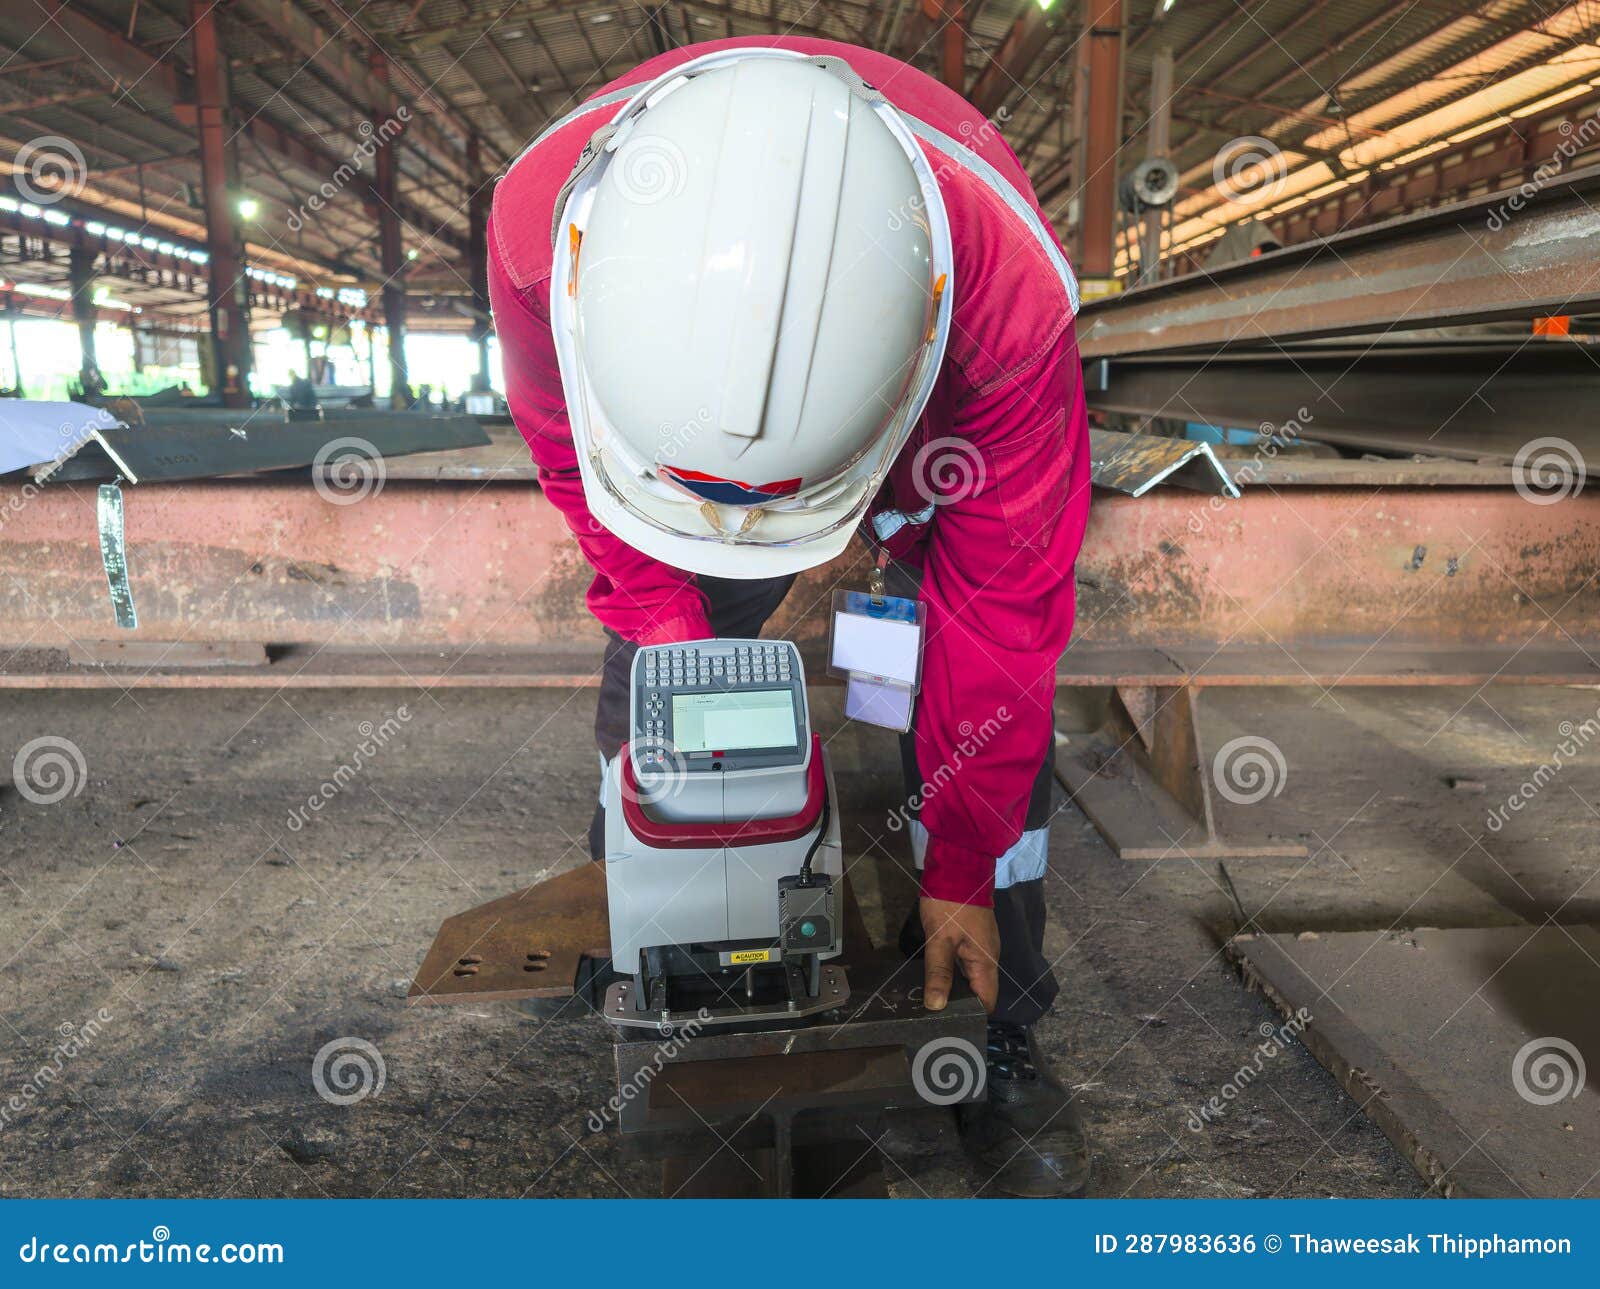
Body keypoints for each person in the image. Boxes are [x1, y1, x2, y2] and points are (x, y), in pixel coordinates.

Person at [489, 38, 1092, 1197]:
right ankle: (663, 948)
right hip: (678, 458)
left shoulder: (1009, 310)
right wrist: (674, 654)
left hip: (937, 448)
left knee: (964, 709)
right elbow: (576, 460)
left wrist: (959, 857)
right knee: (654, 693)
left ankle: (995, 998)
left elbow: (1001, 617)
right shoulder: (540, 238)